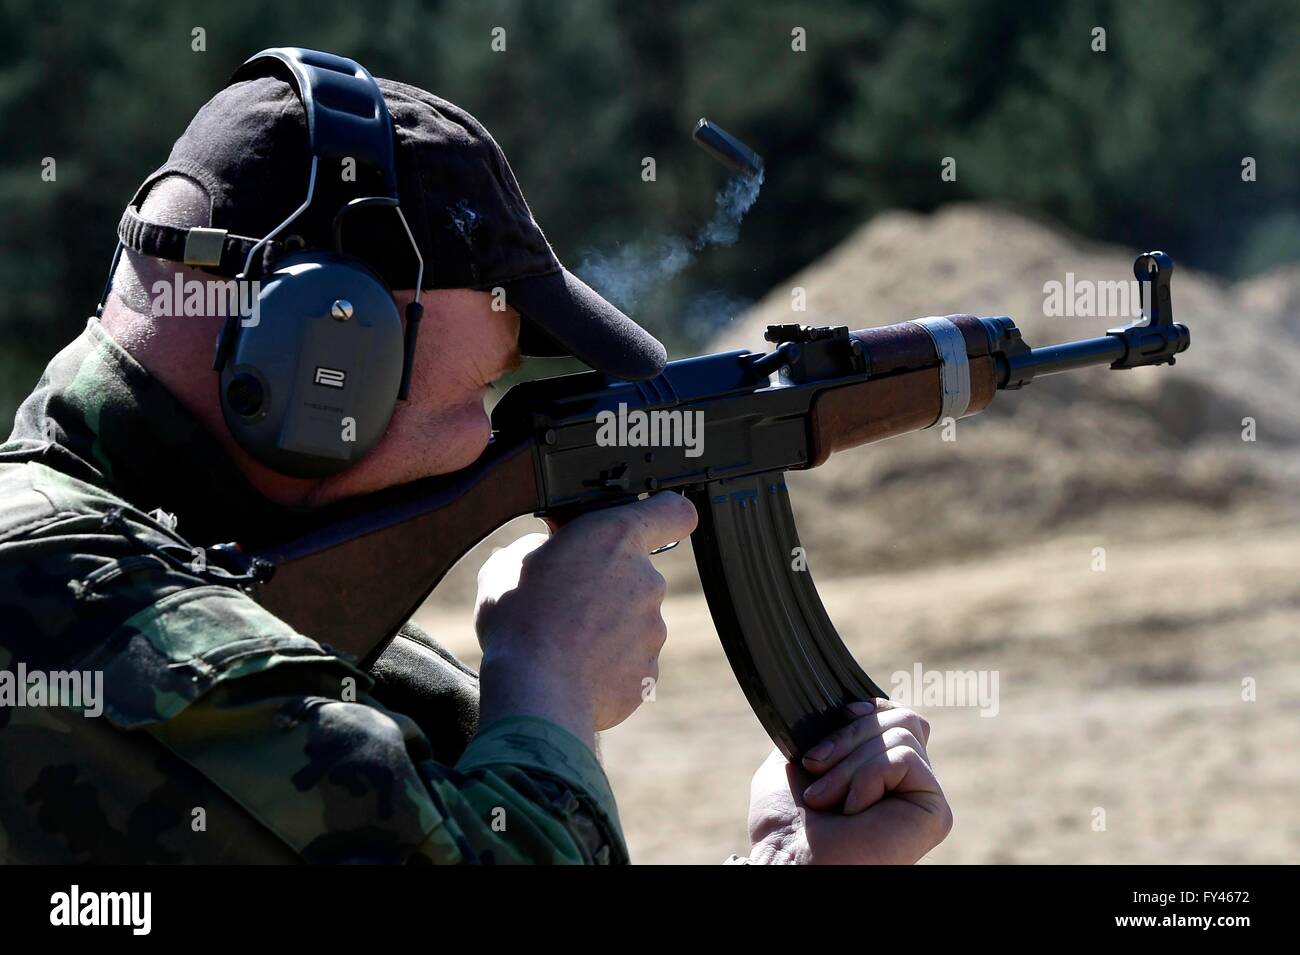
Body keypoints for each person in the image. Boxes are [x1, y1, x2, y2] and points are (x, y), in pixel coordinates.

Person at [0, 58, 951, 864]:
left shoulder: (235, 612)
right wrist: (548, 680)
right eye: (476, 396)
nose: (476, 440)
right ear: (323, 360)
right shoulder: (77, 607)